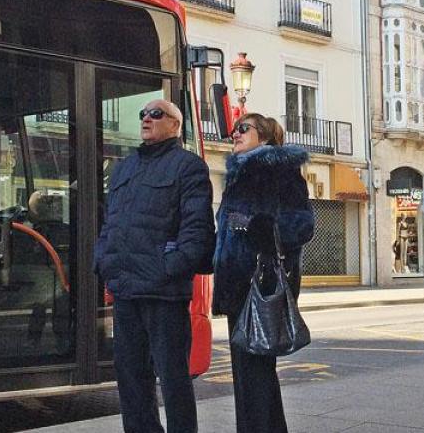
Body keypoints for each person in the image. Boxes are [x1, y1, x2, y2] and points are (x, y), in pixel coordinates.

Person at [93, 99, 216, 433]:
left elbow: (197, 230)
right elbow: (110, 221)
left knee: (173, 378)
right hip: (126, 289)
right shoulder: (124, 167)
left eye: (156, 114)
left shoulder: (188, 166)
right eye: (143, 114)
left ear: (175, 124)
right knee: (130, 377)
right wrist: (103, 260)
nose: (147, 118)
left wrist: (169, 267)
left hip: (164, 293)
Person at [212, 113, 315, 433]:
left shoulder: (279, 171)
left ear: (265, 136)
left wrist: (259, 226)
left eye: (244, 128)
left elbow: (303, 225)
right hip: (237, 285)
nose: (235, 134)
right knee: (251, 374)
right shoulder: (239, 174)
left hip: (260, 283)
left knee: (253, 374)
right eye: (234, 129)